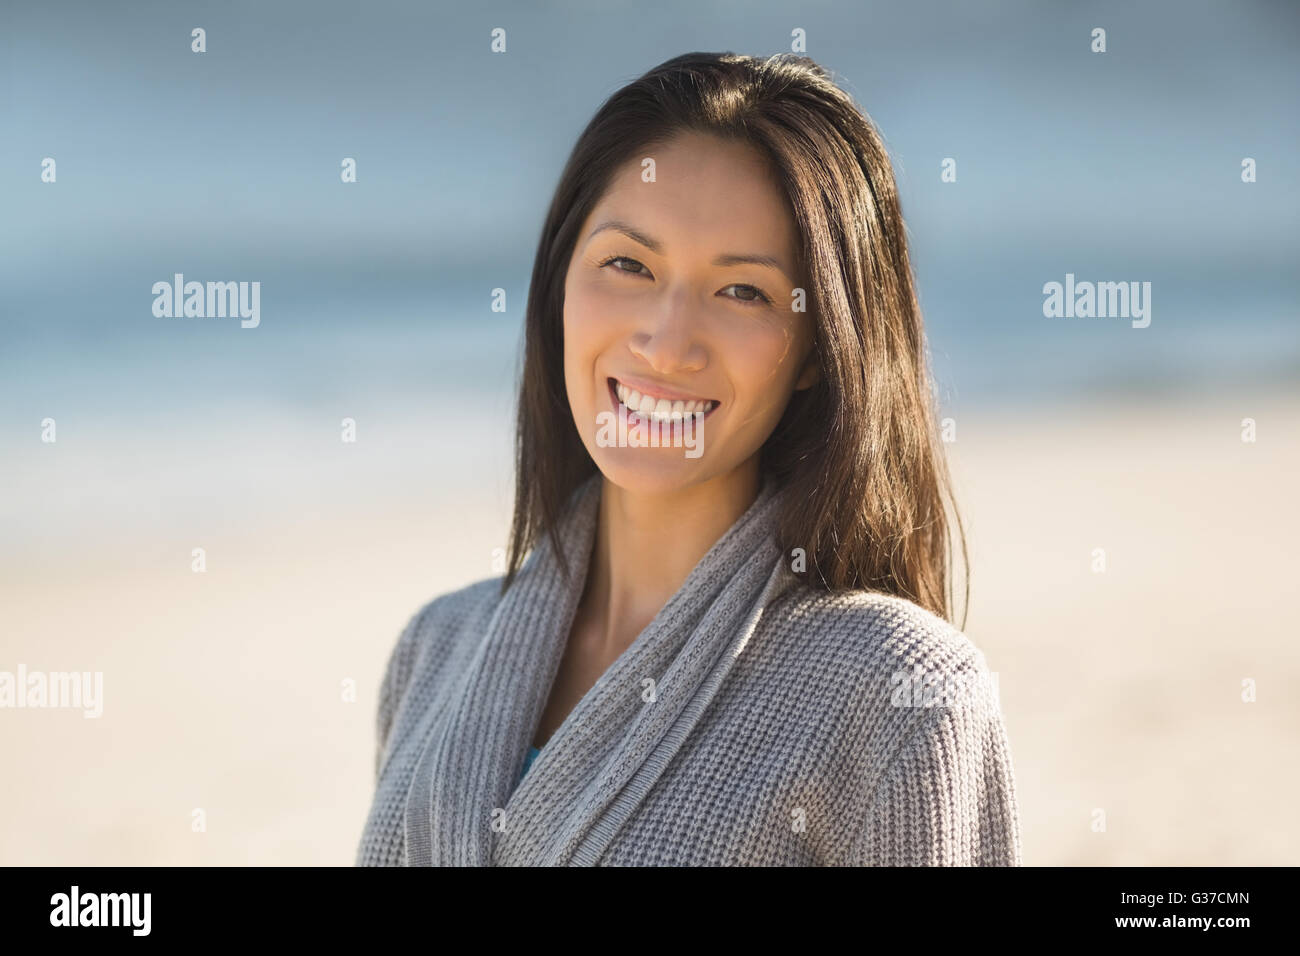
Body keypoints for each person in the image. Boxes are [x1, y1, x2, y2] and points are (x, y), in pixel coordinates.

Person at [356, 51, 1021, 867]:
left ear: (820, 348)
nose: (666, 344)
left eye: (744, 292)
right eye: (629, 265)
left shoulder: (902, 694)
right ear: (560, 282)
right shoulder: (436, 650)